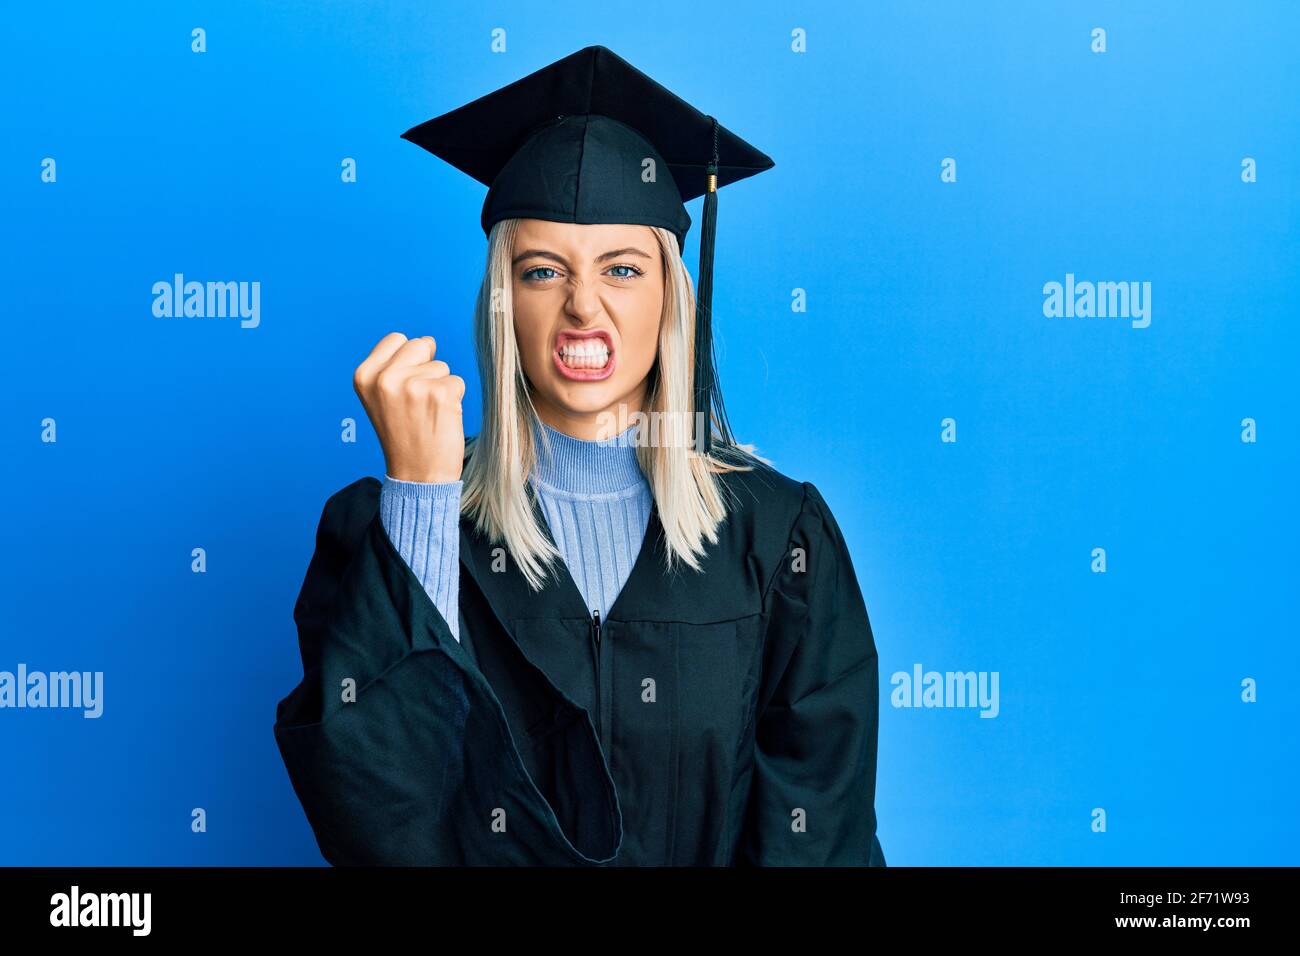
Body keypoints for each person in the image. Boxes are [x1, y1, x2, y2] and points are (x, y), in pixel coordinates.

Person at [273, 45, 886, 866]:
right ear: (502, 300)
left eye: (623, 269)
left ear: (671, 295)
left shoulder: (778, 540)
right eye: (542, 271)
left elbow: (821, 840)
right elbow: (378, 818)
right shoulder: (383, 525)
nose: (583, 307)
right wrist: (419, 499)